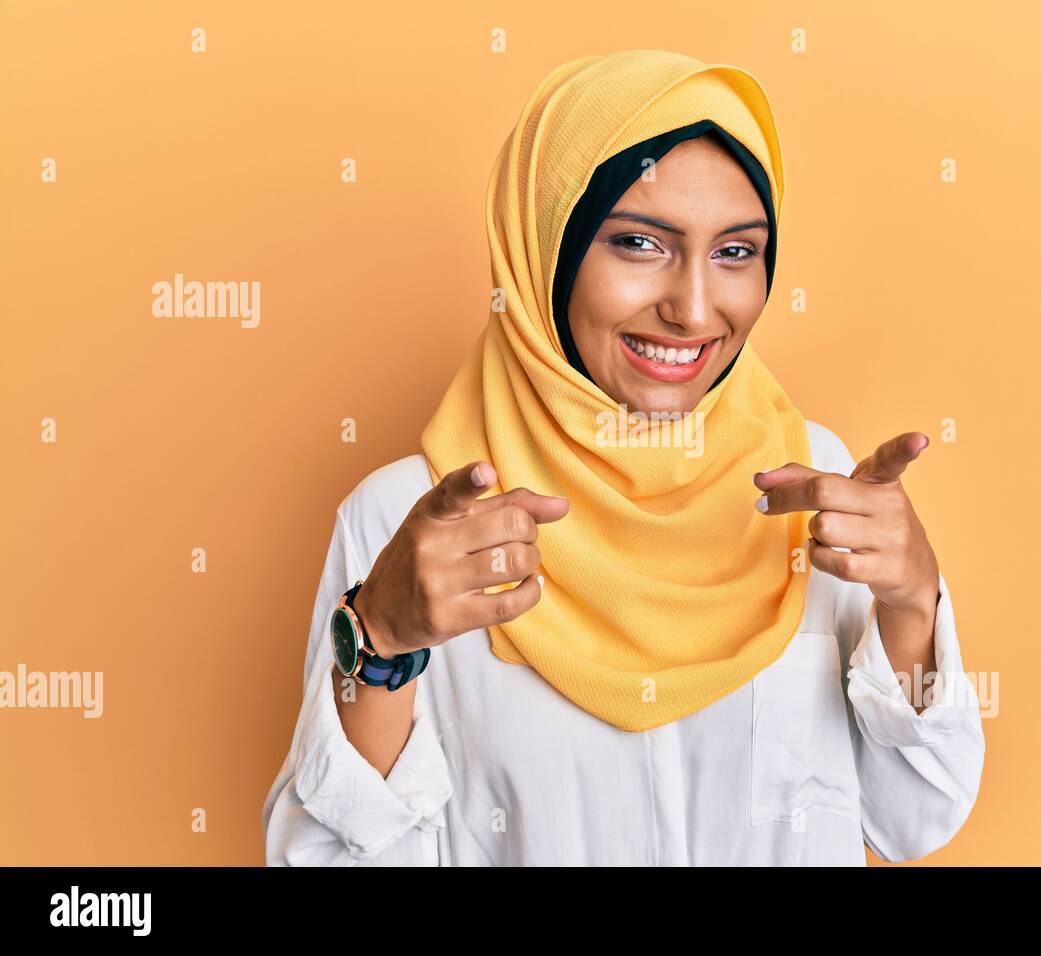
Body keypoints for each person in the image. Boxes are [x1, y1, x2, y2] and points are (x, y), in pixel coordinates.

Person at [262, 48, 985, 866]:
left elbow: (915, 817)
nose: (693, 308)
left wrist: (912, 602)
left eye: (736, 252)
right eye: (641, 243)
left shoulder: (812, 482)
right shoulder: (410, 522)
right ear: (546, 253)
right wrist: (382, 642)